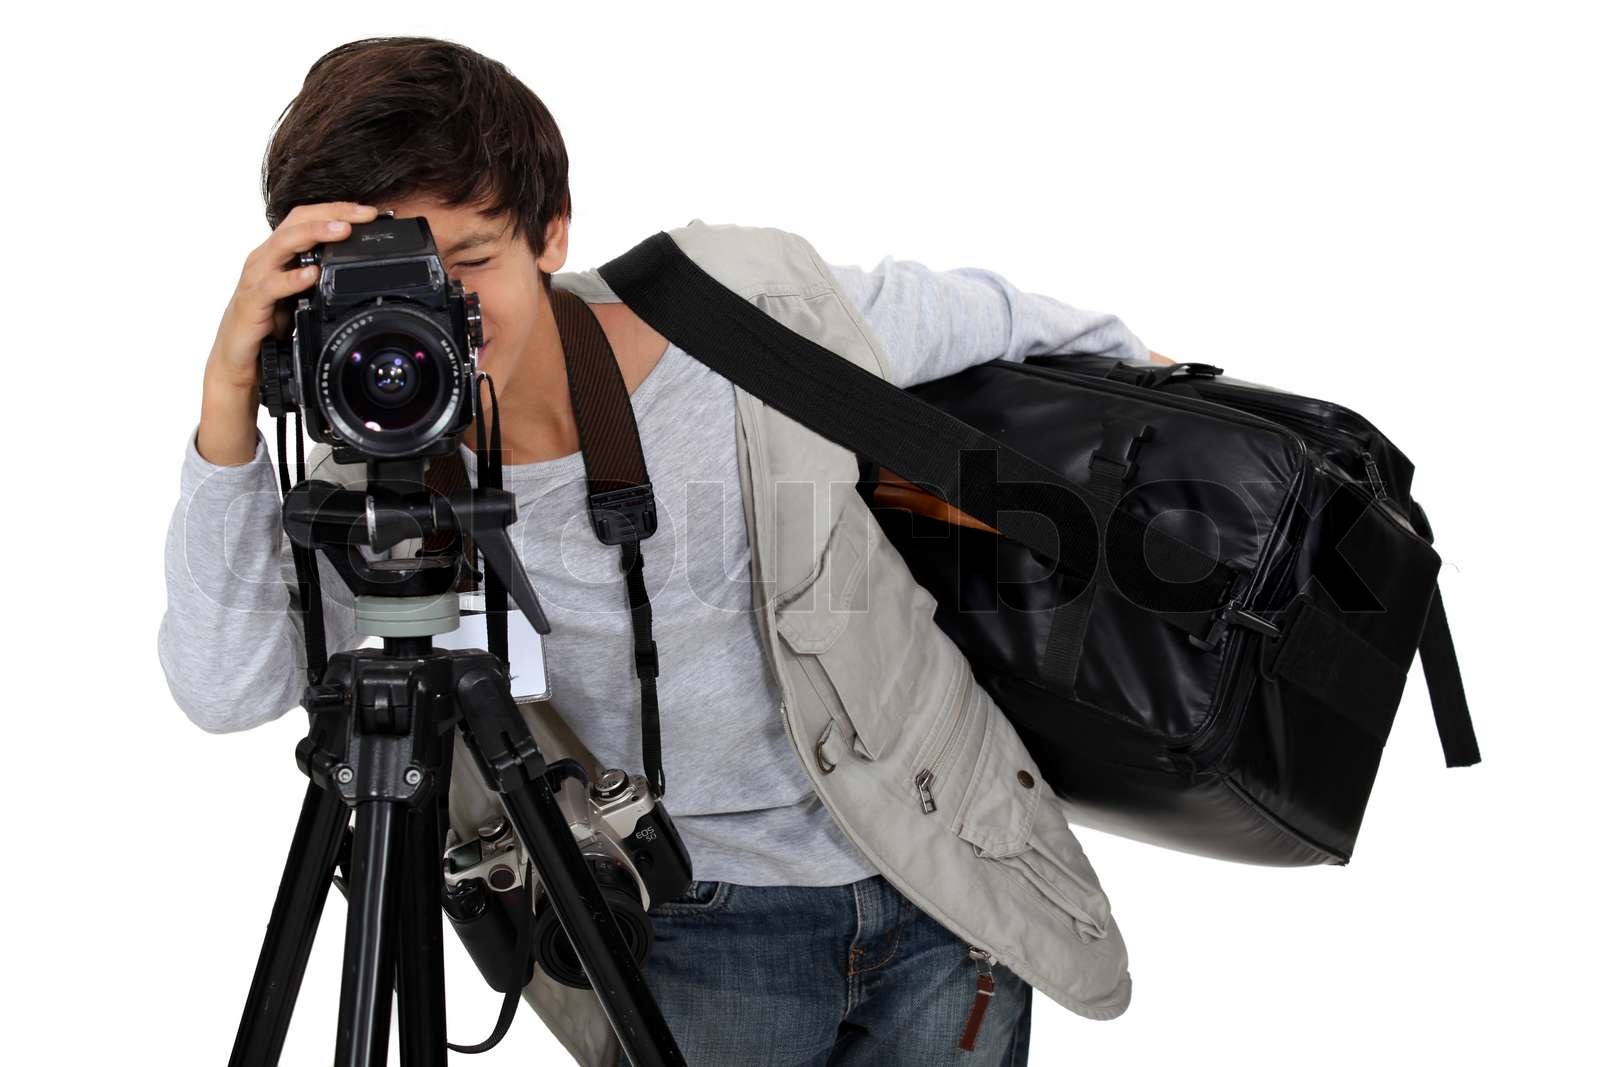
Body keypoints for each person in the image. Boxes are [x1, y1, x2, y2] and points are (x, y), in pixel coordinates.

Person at [159, 35, 1165, 1067]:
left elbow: (974, 317)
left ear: (548, 232)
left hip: (940, 864)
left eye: (467, 264)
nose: (444, 315)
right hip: (688, 923)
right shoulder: (377, 479)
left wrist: (1151, 373)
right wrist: (228, 404)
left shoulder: (734, 311)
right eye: (388, 287)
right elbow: (225, 688)